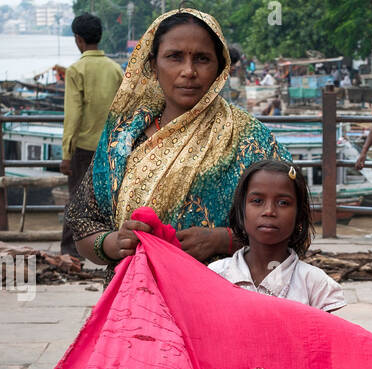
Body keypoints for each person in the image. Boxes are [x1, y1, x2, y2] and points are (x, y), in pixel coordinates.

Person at [63, 9, 290, 275]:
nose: (188, 71)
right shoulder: (121, 140)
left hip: (223, 301)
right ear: (152, 65)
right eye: (174, 57)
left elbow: (295, 227)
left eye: (203, 59)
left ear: (220, 67)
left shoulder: (250, 139)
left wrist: (222, 239)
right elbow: (83, 222)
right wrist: (114, 243)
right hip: (133, 301)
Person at [209, 159, 346, 312]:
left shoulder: (316, 285)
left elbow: (322, 334)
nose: (269, 211)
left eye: (283, 203)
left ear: (299, 214)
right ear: (241, 210)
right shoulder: (215, 275)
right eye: (257, 201)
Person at [59, 13, 124, 259]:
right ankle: (112, 248)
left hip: (84, 148)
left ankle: (70, 251)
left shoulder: (76, 70)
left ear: (78, 39)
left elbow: (72, 114)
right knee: (111, 199)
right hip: (111, 146)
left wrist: (66, 153)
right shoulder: (115, 69)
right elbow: (123, 111)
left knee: (77, 199)